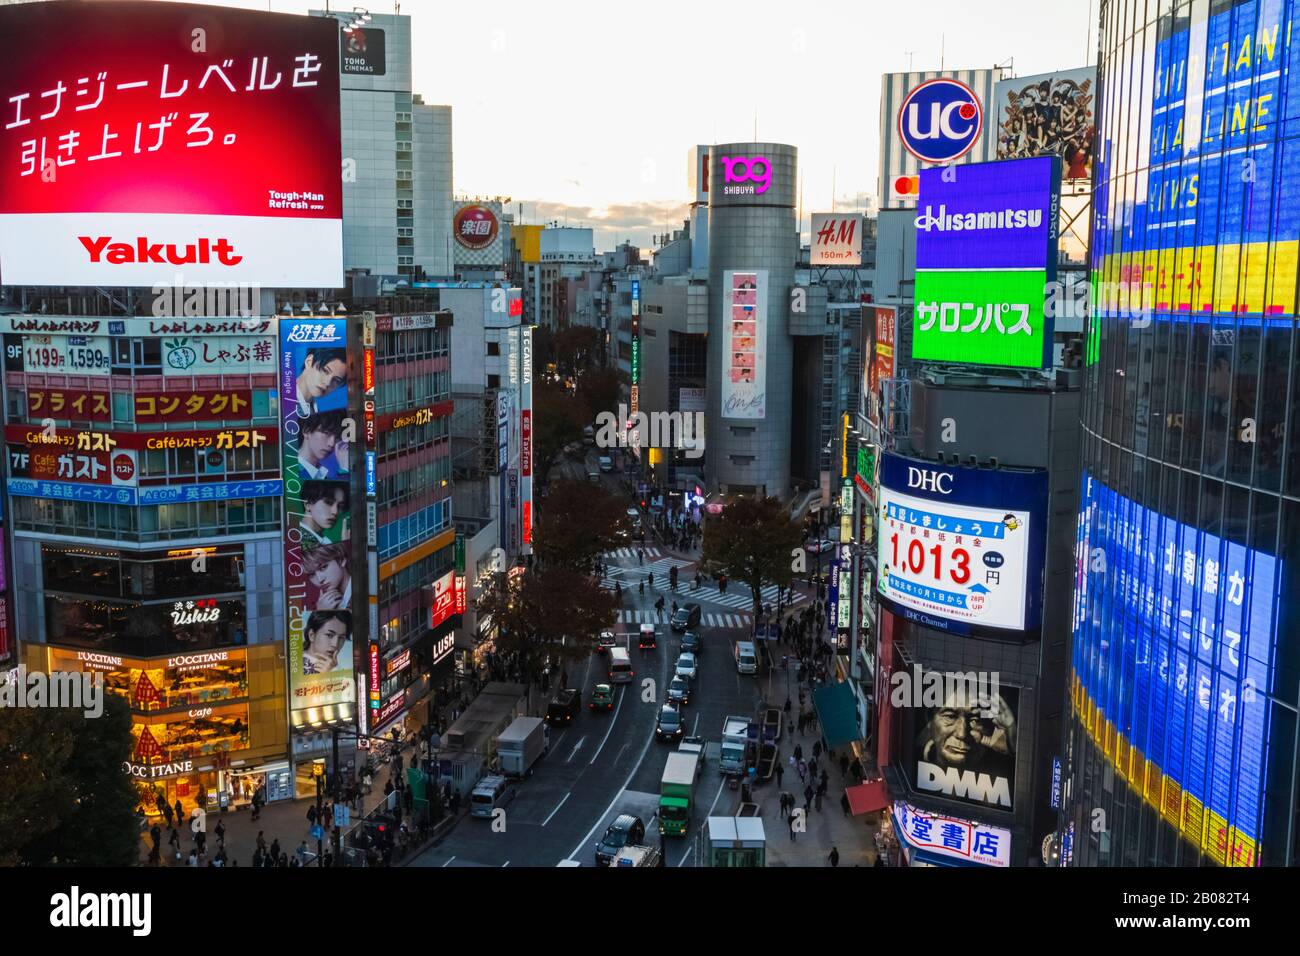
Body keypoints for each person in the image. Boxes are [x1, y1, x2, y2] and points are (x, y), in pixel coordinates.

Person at [294, 347, 348, 417]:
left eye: (336, 380)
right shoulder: (285, 400)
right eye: (325, 371)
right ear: (309, 361)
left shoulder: (313, 408)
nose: (328, 382)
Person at [297, 410, 350, 479]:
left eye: (337, 437)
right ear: (306, 431)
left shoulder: (321, 473)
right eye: (326, 433)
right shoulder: (294, 471)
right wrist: (344, 469)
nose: (331, 444)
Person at [298, 481, 349, 546]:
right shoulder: (300, 540)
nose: (335, 512)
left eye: (340, 506)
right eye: (328, 502)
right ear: (307, 504)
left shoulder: (321, 540)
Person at [304, 543, 352, 611]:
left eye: (323, 567)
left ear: (342, 559)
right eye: (312, 574)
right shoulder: (323, 605)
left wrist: (323, 612)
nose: (320, 579)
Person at [302, 609, 352, 675]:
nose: (335, 644)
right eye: (329, 635)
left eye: (341, 638)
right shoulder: (298, 665)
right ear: (312, 635)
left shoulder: (335, 666)